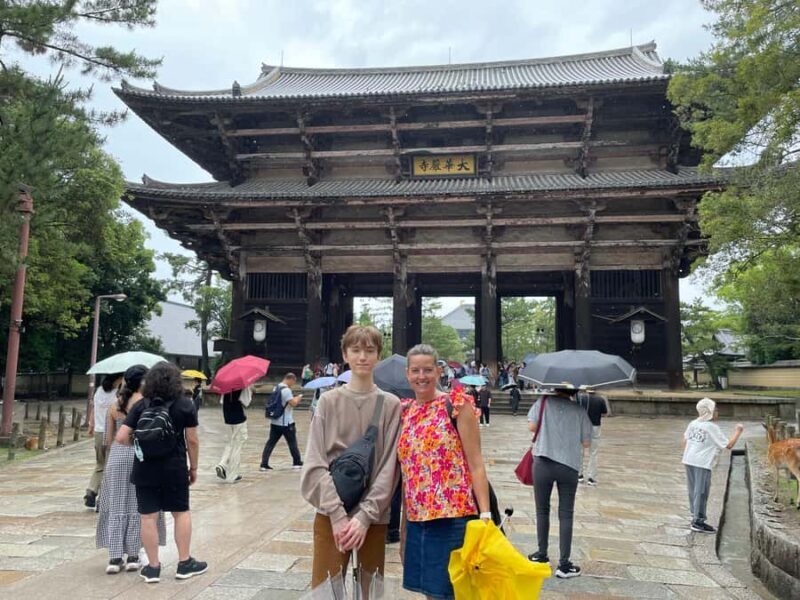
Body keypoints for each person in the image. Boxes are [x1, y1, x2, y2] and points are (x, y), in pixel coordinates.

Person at [301, 325, 401, 594]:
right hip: (330, 511)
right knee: (325, 592)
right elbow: (315, 462)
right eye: (355, 350)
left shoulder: (391, 405)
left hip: (373, 517)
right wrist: (336, 514)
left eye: (370, 350)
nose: (362, 357)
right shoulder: (328, 401)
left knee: (370, 591)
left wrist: (365, 516)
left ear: (379, 355)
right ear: (345, 355)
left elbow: (389, 468)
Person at [399, 344, 491, 599]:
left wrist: (485, 514)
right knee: (430, 592)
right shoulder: (406, 412)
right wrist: (403, 527)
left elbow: (476, 463)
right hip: (417, 518)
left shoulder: (457, 405)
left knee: (450, 592)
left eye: (428, 370)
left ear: (439, 371)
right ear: (407, 374)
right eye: (415, 370)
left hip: (452, 516)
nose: (422, 376)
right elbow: (408, 473)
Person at [115, 361, 207, 583]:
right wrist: (193, 467)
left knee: (148, 517)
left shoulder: (141, 405)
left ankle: (153, 567)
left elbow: (121, 437)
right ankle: (184, 563)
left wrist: (140, 444)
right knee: (180, 513)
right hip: (174, 468)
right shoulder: (185, 404)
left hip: (145, 469)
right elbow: (192, 440)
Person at [96, 365, 166, 574]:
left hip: (117, 457)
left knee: (116, 504)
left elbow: (108, 439)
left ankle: (115, 557)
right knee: (138, 505)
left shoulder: (114, 405)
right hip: (140, 457)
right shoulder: (147, 404)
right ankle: (134, 555)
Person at [527, 387, 592, 579]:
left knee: (542, 510)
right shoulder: (579, 410)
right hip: (569, 466)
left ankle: (542, 554)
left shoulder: (542, 402)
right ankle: (564, 564)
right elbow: (586, 443)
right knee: (566, 514)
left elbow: (532, 427)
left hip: (543, 462)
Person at [682, 398, 744, 533]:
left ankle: (694, 515)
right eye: (715, 410)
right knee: (701, 491)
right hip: (702, 462)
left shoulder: (693, 423)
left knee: (693, 490)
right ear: (709, 412)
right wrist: (738, 431)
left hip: (688, 460)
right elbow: (728, 445)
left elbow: (685, 441)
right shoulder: (711, 427)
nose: (717, 412)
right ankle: (698, 522)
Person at [85, 373, 123, 508]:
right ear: (117, 379)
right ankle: (102, 500)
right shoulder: (118, 395)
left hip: (98, 432)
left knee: (100, 464)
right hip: (110, 433)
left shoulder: (99, 391)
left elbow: (94, 409)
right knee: (109, 467)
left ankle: (91, 491)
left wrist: (91, 425)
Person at [260, 373, 303, 470]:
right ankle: (297, 462)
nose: (293, 384)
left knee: (270, 443)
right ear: (291, 379)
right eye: (293, 382)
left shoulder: (276, 387)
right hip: (286, 422)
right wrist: (298, 397)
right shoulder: (286, 390)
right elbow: (293, 403)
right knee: (292, 442)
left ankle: (264, 463)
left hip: (275, 421)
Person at [216, 385, 252, 483]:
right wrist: (250, 391)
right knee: (237, 444)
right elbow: (246, 402)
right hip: (238, 417)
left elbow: (222, 401)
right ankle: (232, 475)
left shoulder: (226, 385)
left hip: (227, 416)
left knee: (230, 443)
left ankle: (222, 464)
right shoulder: (243, 385)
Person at [577, 390, 610, 486]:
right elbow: (605, 413)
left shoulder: (581, 398)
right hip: (595, 425)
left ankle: (579, 475)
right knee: (593, 453)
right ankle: (591, 478)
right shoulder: (600, 399)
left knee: (580, 451)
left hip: (582, 425)